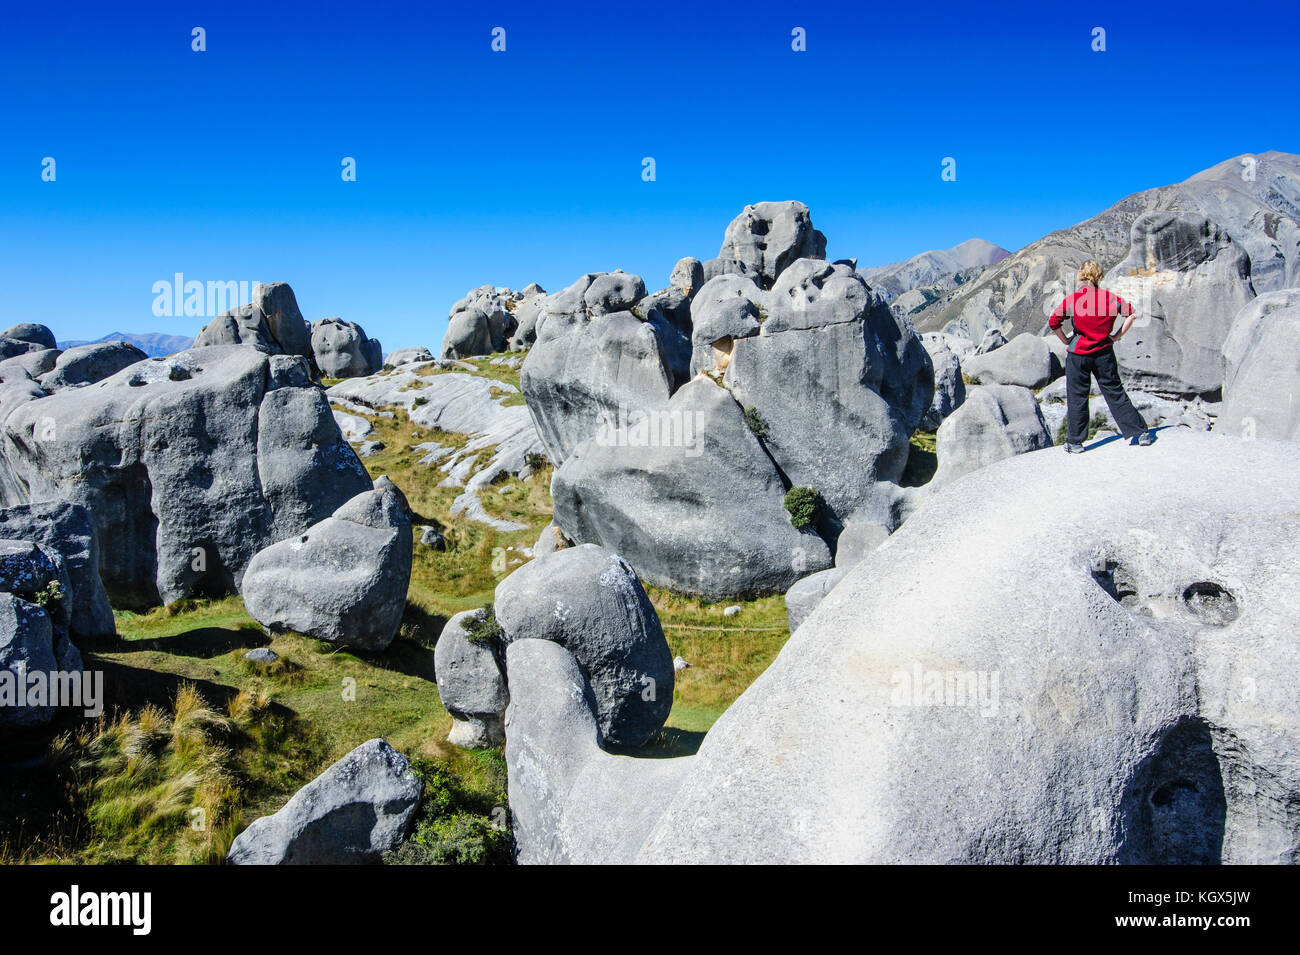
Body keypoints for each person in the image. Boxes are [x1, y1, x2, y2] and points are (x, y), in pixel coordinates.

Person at [1048, 260, 1153, 452]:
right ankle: (1141, 432)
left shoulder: (1074, 299)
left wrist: (1065, 341)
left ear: (1081, 275)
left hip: (1078, 353)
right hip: (1104, 351)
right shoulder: (1110, 298)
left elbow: (1054, 321)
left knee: (1077, 396)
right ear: (1099, 276)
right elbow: (1131, 315)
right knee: (1114, 391)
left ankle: (1075, 442)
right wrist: (1116, 336)